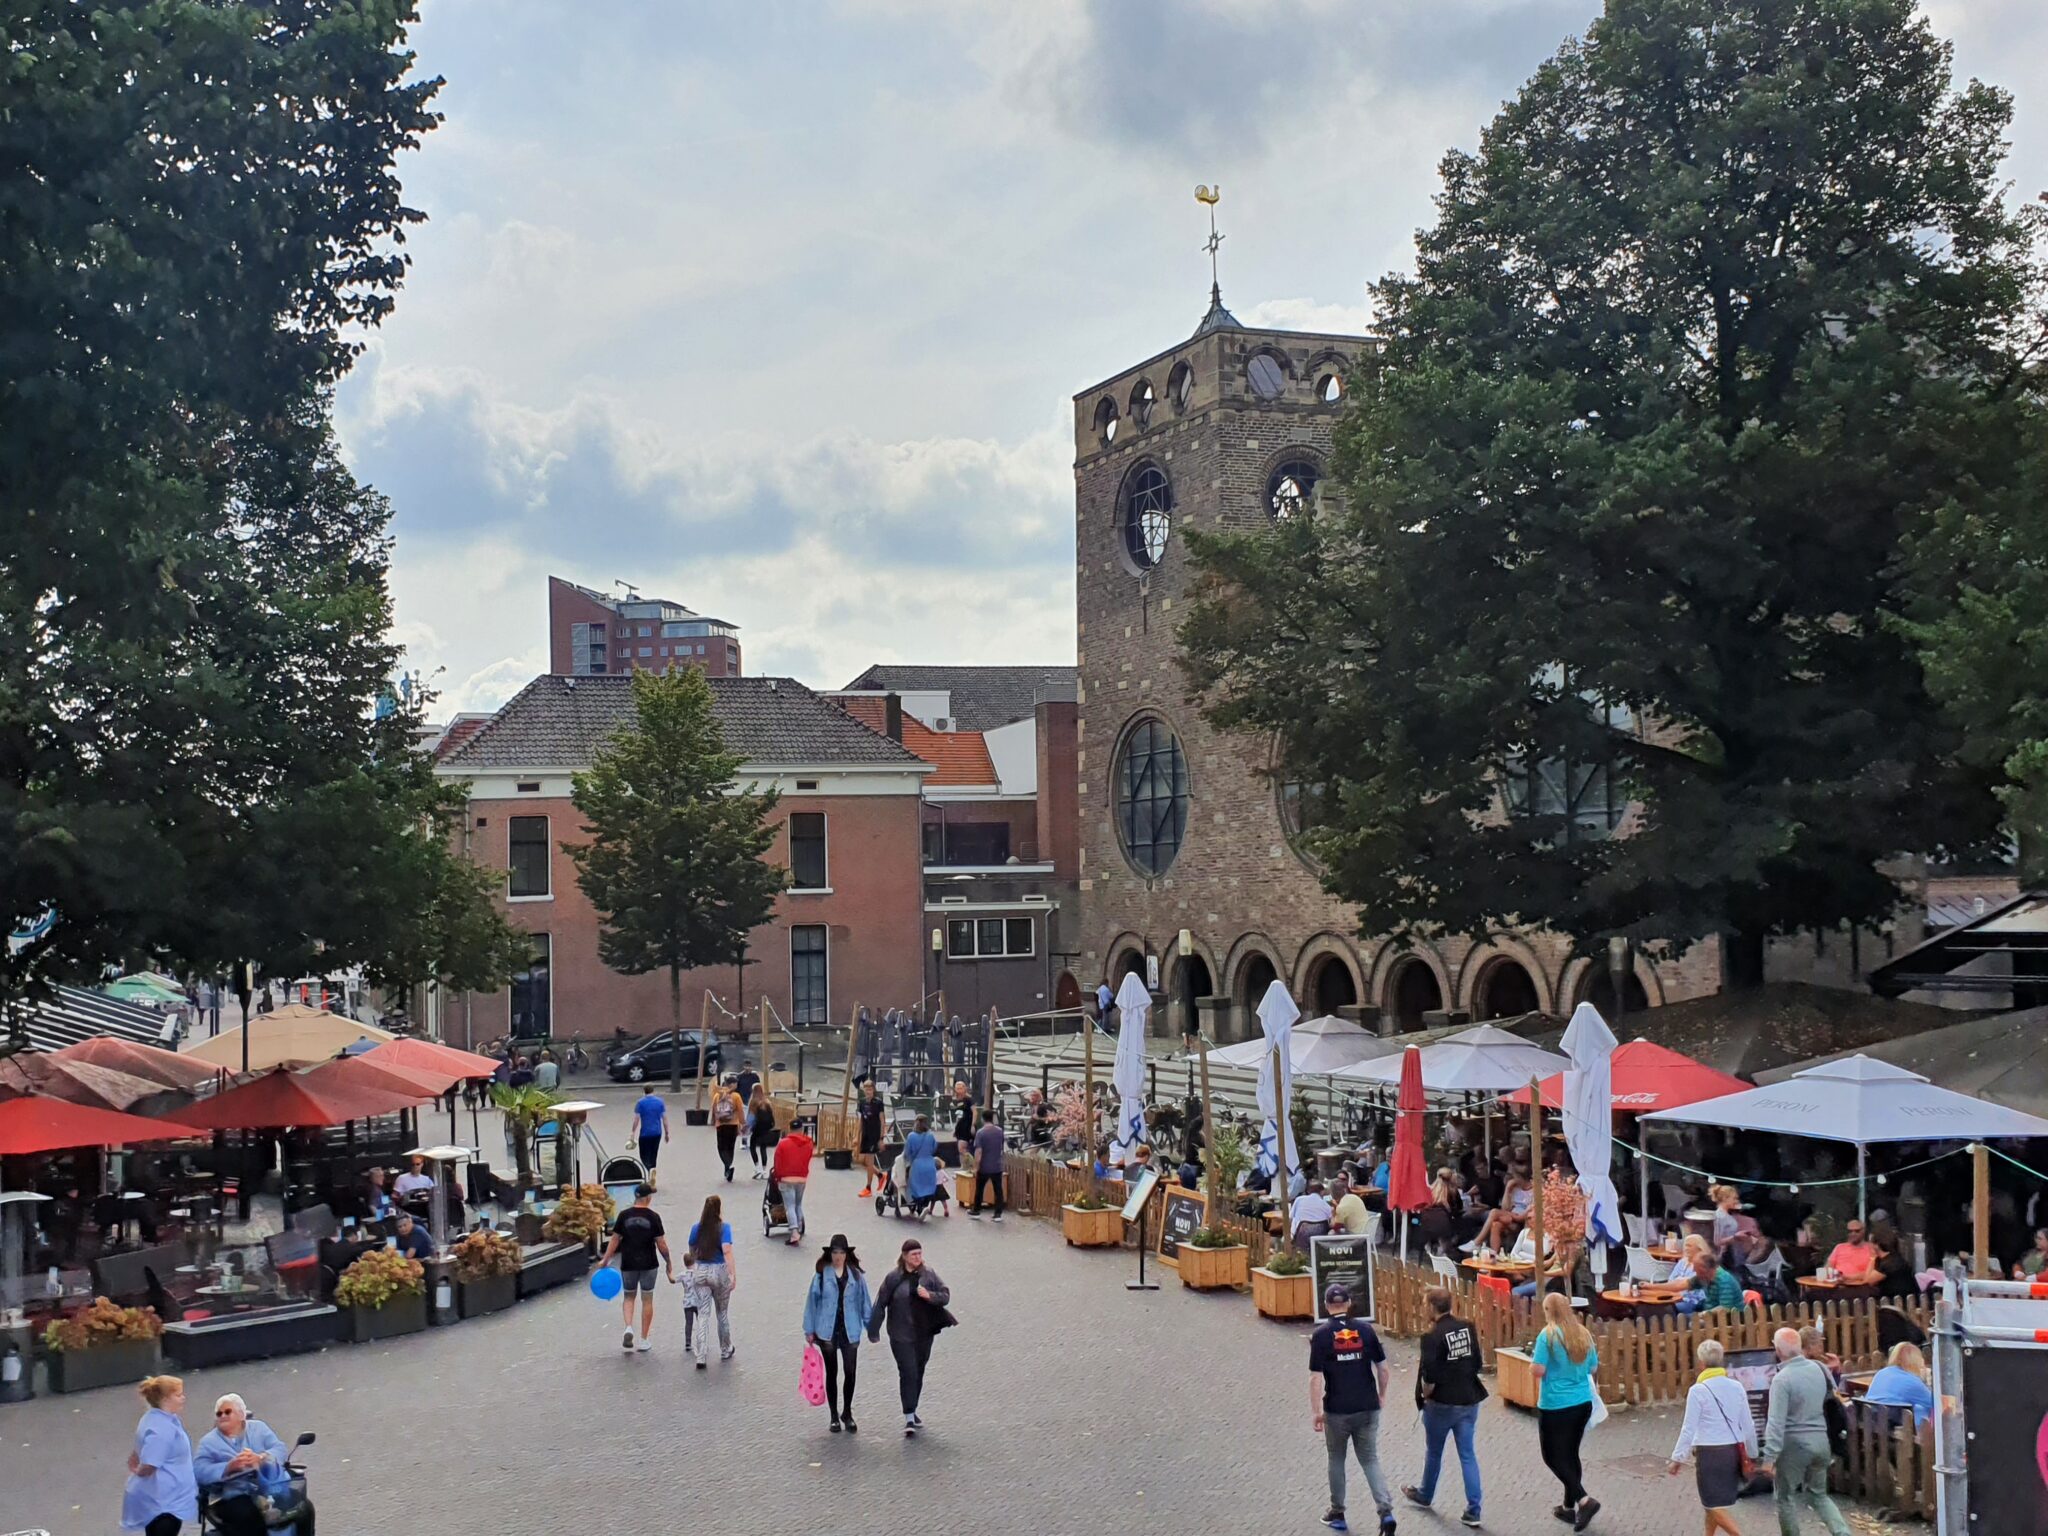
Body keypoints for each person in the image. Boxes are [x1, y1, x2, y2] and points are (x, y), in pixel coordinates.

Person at [1309, 1280, 1393, 1535]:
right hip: (1367, 1406)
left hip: (1337, 1409)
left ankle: (1338, 1512)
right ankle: (1386, 1511)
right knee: (1370, 1459)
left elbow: (1315, 1377)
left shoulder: (1321, 1336)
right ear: (1349, 1304)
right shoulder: (1366, 1330)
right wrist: (1381, 1395)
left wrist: (1316, 1412)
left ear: (1326, 1306)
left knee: (1336, 1459)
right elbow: (1384, 1369)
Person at [1402, 1286, 1484, 1528]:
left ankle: (1425, 1494)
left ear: (1431, 1307)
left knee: (1434, 1452)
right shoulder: (1467, 1327)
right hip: (1469, 1399)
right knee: (1467, 1454)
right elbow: (1477, 1362)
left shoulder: (1431, 1337)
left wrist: (1426, 1396)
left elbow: (1430, 1375)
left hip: (1442, 1403)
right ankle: (1474, 1508)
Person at [1760, 1326, 1854, 1536]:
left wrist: (1769, 1458)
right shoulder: (1820, 1369)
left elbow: (1776, 1422)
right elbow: (1833, 1399)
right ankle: (1842, 1532)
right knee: (1818, 1494)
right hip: (1821, 1441)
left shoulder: (1782, 1379)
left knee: (1785, 1498)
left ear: (1778, 1351)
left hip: (1794, 1445)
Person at [1667, 1339, 1758, 1536]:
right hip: (1732, 1451)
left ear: (1701, 1363)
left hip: (1709, 1453)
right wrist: (1752, 1452)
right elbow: (1748, 1424)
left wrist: (1677, 1458)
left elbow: (1688, 1428)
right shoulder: (1737, 1387)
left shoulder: (1698, 1390)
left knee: (1711, 1504)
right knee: (1713, 1502)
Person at [1529, 1289, 1601, 1530]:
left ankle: (1584, 1499)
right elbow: (1592, 1368)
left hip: (1555, 1403)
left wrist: (1549, 1370)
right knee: (1570, 1453)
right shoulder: (1583, 1333)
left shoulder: (1548, 1336)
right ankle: (1568, 1508)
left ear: (1548, 1311)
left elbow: (1538, 1369)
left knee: (1551, 1456)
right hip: (1581, 1402)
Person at [193, 1393, 313, 1536]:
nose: (223, 1416)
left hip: (268, 1487)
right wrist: (228, 1467)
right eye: (219, 1413)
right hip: (235, 1494)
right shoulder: (209, 1442)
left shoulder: (259, 1428)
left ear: (241, 1414)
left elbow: (279, 1448)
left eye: (227, 1412)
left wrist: (261, 1458)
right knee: (250, 1518)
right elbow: (199, 1470)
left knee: (305, 1508)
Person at [869, 1237, 953, 1436]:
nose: (918, 1258)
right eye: (914, 1254)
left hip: (923, 1332)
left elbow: (945, 1296)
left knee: (919, 1370)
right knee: (908, 1372)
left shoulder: (929, 1274)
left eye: (920, 1254)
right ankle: (908, 1415)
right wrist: (874, 1329)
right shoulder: (893, 1278)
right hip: (900, 1333)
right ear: (905, 1256)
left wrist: (930, 1296)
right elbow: (880, 1302)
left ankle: (913, 1409)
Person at [803, 1233, 872, 1432]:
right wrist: (809, 1329)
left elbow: (864, 1302)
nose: (838, 1256)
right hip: (827, 1331)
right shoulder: (821, 1275)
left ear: (847, 1254)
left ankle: (847, 1412)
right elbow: (812, 1302)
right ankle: (834, 1415)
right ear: (830, 1254)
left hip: (850, 1330)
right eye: (835, 1252)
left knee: (850, 1372)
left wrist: (870, 1328)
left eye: (841, 1252)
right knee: (832, 1373)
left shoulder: (856, 1276)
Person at [597, 1183, 671, 1353]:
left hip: (628, 1262)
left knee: (629, 1296)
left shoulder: (623, 1216)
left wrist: (605, 1260)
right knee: (647, 1299)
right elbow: (661, 1244)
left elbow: (615, 1240)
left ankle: (629, 1327)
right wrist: (668, 1262)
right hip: (649, 1263)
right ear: (647, 1198)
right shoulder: (653, 1217)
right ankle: (644, 1340)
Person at [124, 1374, 198, 1536]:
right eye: (178, 1395)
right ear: (165, 1399)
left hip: (162, 1499)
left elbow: (138, 1451)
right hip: (165, 1500)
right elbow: (150, 1464)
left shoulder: (155, 1419)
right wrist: (140, 1472)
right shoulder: (163, 1429)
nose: (183, 1398)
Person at [682, 1194, 738, 1368]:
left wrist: (698, 1257)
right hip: (719, 1270)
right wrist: (732, 1274)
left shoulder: (696, 1229)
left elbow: (691, 1249)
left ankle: (701, 1355)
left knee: (703, 1314)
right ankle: (725, 1348)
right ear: (719, 1209)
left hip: (701, 1271)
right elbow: (727, 1250)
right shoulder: (724, 1228)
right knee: (722, 1313)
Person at [1863, 1341, 1937, 1425]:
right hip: (1895, 1425)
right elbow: (1935, 1404)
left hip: (1873, 1422)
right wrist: (1924, 1379)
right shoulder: (1912, 1381)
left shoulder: (1881, 1373)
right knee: (1921, 1409)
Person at [772, 1121, 815, 1244]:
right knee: (798, 1204)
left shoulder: (783, 1144)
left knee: (789, 1206)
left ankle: (794, 1232)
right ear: (801, 1129)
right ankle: (800, 1226)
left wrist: (777, 1176)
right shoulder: (808, 1143)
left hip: (786, 1179)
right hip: (801, 1178)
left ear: (790, 1129)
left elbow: (777, 1162)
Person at [1676, 1249, 1747, 1314]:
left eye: (1696, 1268)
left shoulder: (1724, 1281)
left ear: (1704, 1269)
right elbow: (1684, 1284)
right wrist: (1664, 1287)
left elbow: (1725, 1308)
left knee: (1692, 1323)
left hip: (1730, 1319)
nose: (1694, 1270)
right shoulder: (1705, 1277)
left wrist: (1704, 1314)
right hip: (1711, 1313)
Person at [968, 1108, 1006, 1220]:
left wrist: (976, 1167)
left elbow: (979, 1152)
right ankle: (998, 1213)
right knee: (998, 1190)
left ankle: (976, 1210)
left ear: (983, 1118)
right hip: (997, 1165)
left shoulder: (981, 1133)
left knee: (979, 1189)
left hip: (984, 1166)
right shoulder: (999, 1131)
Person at [631, 1088, 668, 1191]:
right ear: (653, 1090)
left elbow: (636, 1119)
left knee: (643, 1154)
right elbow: (664, 1118)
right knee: (653, 1153)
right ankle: (653, 1169)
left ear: (644, 1091)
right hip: (657, 1132)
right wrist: (667, 1133)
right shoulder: (660, 1102)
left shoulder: (640, 1103)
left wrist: (633, 1132)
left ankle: (649, 1169)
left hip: (645, 1133)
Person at [904, 1114, 942, 1213]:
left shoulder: (911, 1136)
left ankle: (918, 1204)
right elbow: (934, 1149)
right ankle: (925, 1204)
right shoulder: (930, 1135)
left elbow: (907, 1153)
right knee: (929, 1187)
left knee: (914, 1185)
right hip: (930, 1165)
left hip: (917, 1166)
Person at [855, 1078, 886, 1197]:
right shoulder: (862, 1103)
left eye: (870, 1089)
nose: (868, 1091)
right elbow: (861, 1121)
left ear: (873, 1090)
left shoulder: (878, 1103)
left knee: (869, 1161)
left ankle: (868, 1187)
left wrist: (881, 1138)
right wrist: (857, 1136)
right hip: (866, 1135)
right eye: (866, 1089)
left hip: (874, 1136)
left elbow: (882, 1120)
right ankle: (880, 1175)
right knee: (865, 1162)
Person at [711, 1077, 745, 1183]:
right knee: (730, 1147)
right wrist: (742, 1123)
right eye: (735, 1083)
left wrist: (713, 1121)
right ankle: (728, 1166)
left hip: (720, 1125)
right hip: (732, 1125)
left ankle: (727, 1166)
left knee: (721, 1147)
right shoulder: (736, 1096)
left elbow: (713, 1109)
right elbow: (740, 1110)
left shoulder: (717, 1095)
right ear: (732, 1085)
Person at [1291, 1179, 1335, 1247]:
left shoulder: (1299, 1200)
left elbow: (1290, 1217)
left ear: (1308, 1191)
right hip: (1320, 1236)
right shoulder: (1326, 1206)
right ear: (1322, 1192)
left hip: (1301, 1235)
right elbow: (1332, 1224)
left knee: (1294, 1221)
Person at [746, 1084, 776, 1177]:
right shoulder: (767, 1102)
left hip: (757, 1128)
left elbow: (751, 1117)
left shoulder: (753, 1102)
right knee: (763, 1148)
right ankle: (764, 1170)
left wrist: (747, 1127)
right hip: (766, 1128)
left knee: (752, 1146)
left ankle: (757, 1167)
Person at [1333, 1173, 1373, 1237]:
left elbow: (1336, 1227)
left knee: (1331, 1233)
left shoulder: (1341, 1207)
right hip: (1365, 1232)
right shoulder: (1355, 1197)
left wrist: (1333, 1211)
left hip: (1356, 1236)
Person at [949, 1079, 976, 1166]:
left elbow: (975, 1112)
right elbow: (958, 1115)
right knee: (960, 1149)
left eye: (961, 1088)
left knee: (962, 1148)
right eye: (957, 1088)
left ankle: (972, 1165)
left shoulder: (969, 1099)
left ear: (965, 1088)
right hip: (960, 1126)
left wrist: (973, 1125)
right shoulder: (957, 1100)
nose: (959, 1090)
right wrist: (955, 1128)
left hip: (967, 1126)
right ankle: (963, 1167)